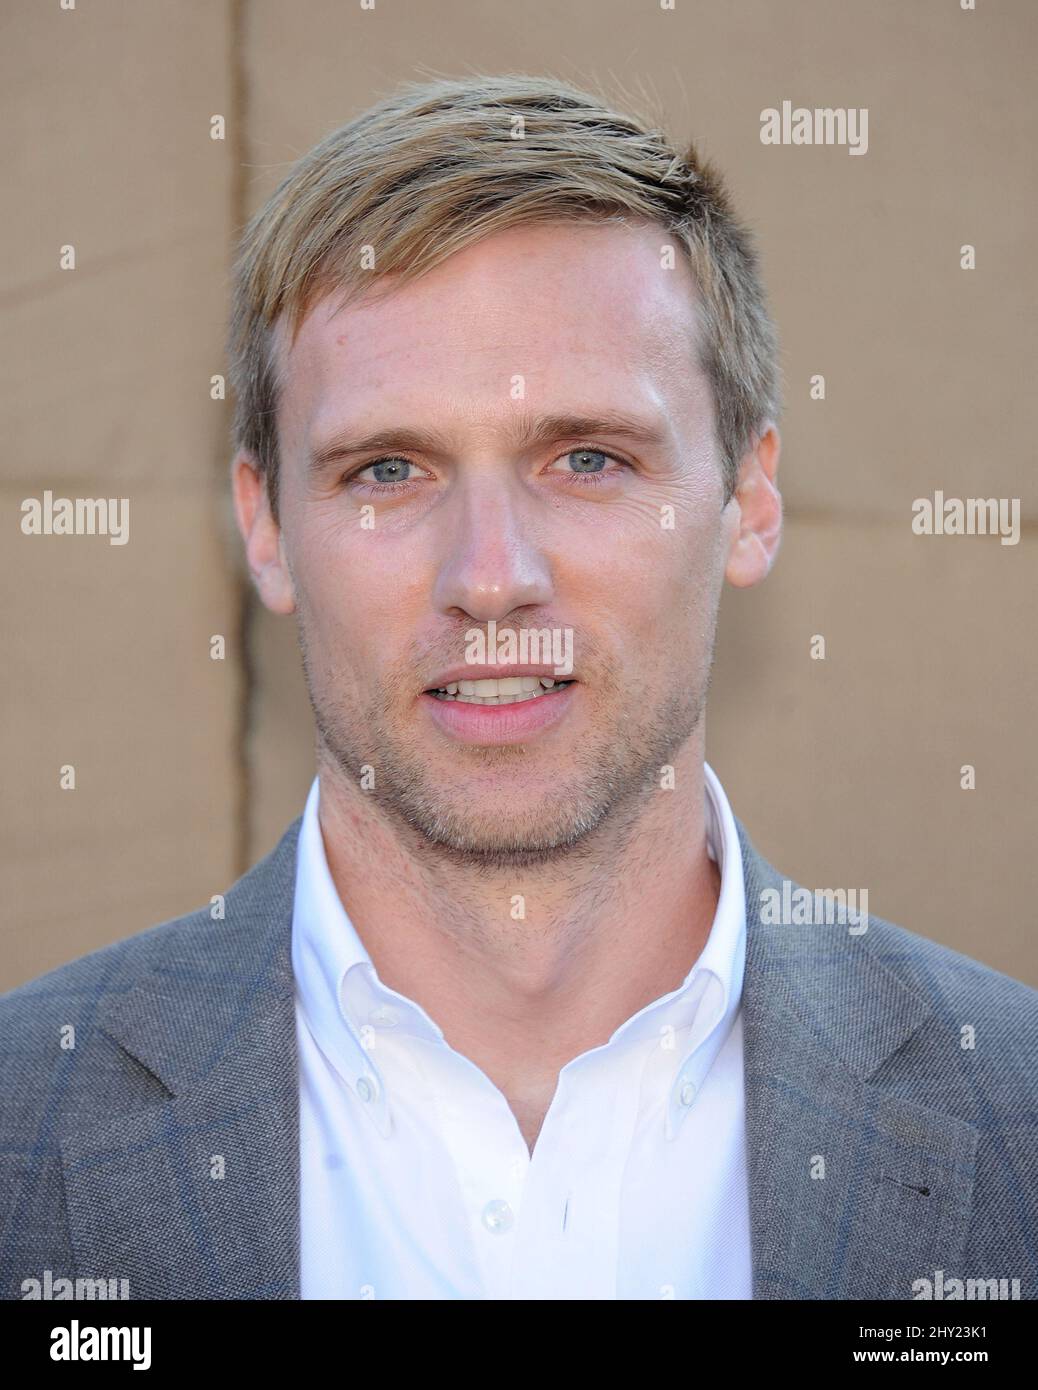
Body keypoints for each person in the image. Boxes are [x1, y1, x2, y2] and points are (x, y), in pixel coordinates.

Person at [2, 74, 1036, 1302]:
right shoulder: (26, 1114)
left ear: (749, 503)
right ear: (265, 527)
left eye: (587, 457)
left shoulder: (1011, 1109)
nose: (490, 580)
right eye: (389, 468)